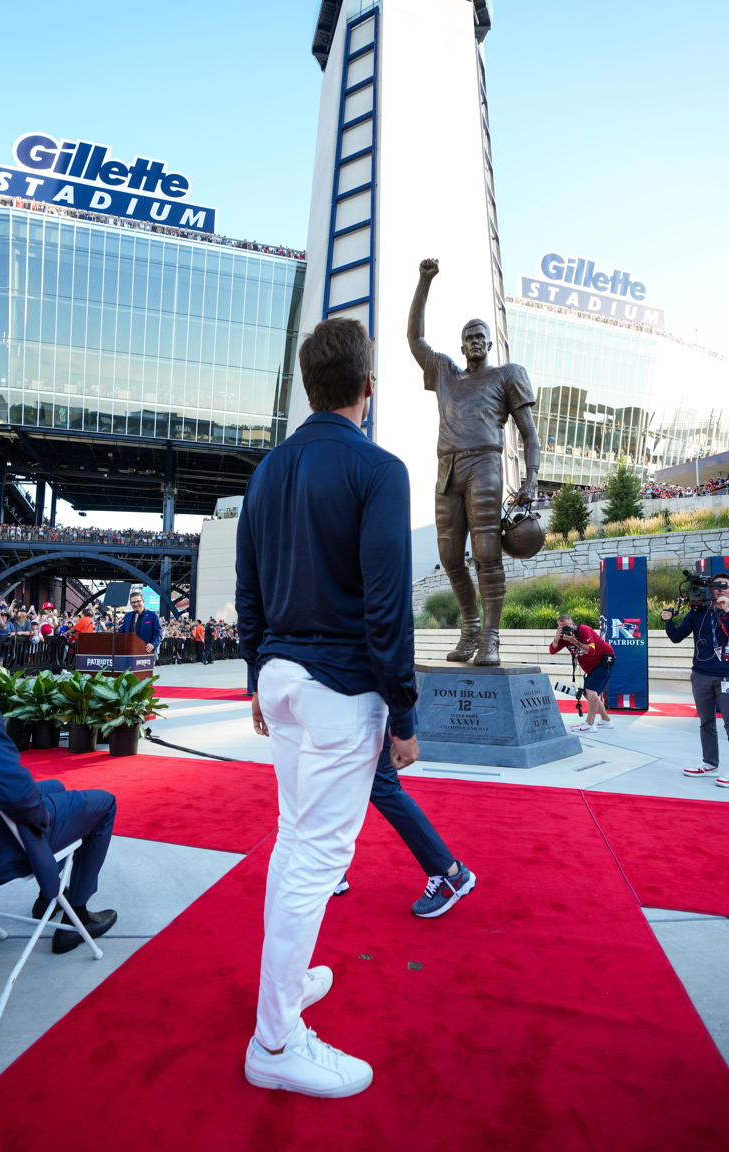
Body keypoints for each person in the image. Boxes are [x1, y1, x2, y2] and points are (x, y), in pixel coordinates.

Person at [236, 317, 418, 1099]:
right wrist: (405, 715)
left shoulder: (267, 472)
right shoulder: (378, 470)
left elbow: (247, 586)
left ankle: (285, 990)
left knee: (294, 846)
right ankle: (275, 1043)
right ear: (367, 391)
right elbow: (387, 603)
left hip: (281, 678)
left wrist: (254, 671)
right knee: (315, 859)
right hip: (342, 689)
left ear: (313, 386)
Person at [407, 258, 541, 666]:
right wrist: (424, 282)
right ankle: (469, 629)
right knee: (449, 556)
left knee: (486, 551)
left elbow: (530, 434)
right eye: (470, 336)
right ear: (463, 345)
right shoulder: (445, 372)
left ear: (488, 343)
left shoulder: (506, 375)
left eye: (482, 335)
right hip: (447, 468)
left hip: (485, 465)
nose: (476, 340)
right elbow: (414, 338)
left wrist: (532, 479)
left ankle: (491, 638)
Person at [0, 607, 117, 954]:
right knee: (104, 802)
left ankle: (48, 899)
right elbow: (17, 797)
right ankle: (74, 913)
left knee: (58, 787)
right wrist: (43, 815)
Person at [334, 725, 475, 918]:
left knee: (383, 787)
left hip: (364, 715)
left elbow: (401, 693)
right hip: (348, 715)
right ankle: (332, 867)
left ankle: (448, 873)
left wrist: (403, 729)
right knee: (340, 781)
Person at [662, 577, 729, 786]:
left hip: (726, 675)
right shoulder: (697, 611)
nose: (719, 590)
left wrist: (727, 612)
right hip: (700, 674)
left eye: (723, 586)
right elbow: (677, 637)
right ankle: (710, 763)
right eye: (715, 586)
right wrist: (668, 621)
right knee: (706, 722)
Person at [549, 614, 615, 733]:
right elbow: (552, 650)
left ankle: (590, 724)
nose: (565, 630)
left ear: (573, 625)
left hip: (603, 661)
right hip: (590, 667)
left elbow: (591, 652)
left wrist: (574, 641)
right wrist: (557, 637)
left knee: (591, 692)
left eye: (567, 627)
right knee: (587, 694)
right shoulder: (564, 637)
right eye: (561, 628)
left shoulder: (584, 630)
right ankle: (606, 720)